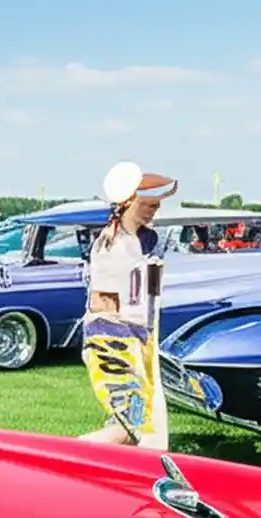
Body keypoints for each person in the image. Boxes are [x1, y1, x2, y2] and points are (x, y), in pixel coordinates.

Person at [77, 161, 178, 448]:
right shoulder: (114, 245)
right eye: (149, 205)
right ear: (130, 202)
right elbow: (110, 303)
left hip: (134, 339)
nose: (154, 211)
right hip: (114, 339)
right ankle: (62, 460)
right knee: (129, 426)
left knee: (141, 425)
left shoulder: (132, 240)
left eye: (156, 206)